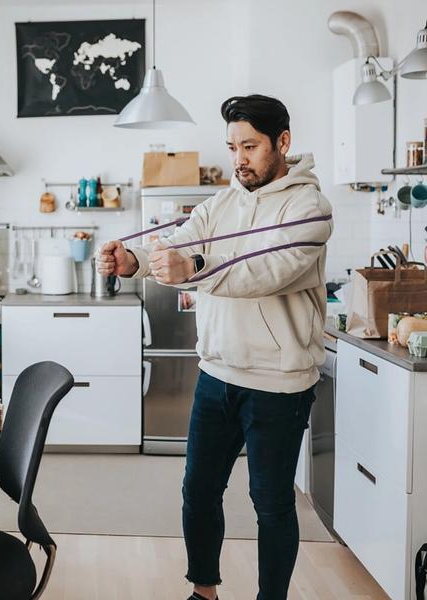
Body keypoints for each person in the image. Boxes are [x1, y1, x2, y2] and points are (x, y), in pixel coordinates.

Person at [97, 94, 333, 600]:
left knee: (270, 503)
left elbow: (264, 272)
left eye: (250, 146)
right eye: (232, 147)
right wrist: (133, 261)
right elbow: (180, 242)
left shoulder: (309, 208)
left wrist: (197, 270)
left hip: (279, 384)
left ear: (282, 142)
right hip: (217, 375)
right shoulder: (221, 203)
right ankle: (204, 591)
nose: (239, 158)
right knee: (199, 492)